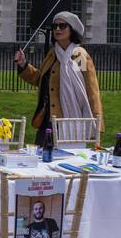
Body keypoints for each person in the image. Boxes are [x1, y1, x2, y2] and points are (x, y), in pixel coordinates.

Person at [14, 11, 103, 146]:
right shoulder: (52, 53)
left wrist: (97, 124)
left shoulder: (79, 55)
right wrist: (23, 64)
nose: (57, 29)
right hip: (46, 121)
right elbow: (40, 79)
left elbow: (91, 90)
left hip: (69, 121)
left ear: (72, 29)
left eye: (62, 26)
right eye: (55, 26)